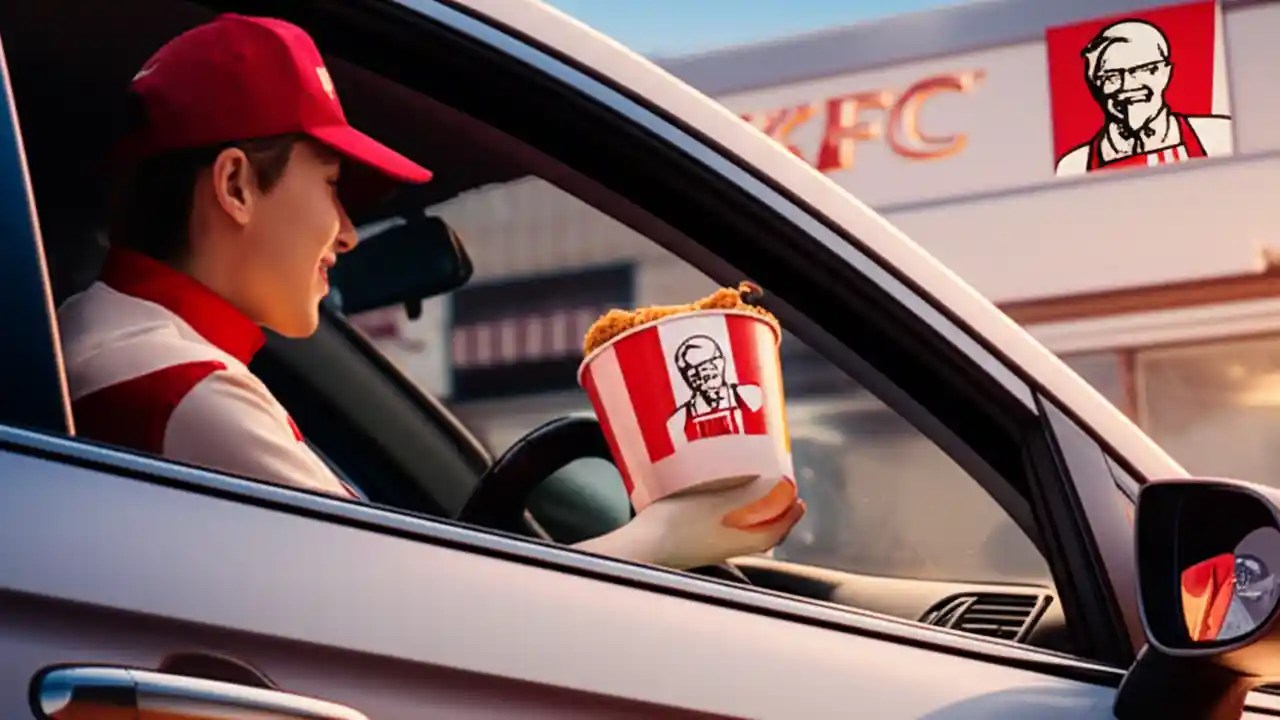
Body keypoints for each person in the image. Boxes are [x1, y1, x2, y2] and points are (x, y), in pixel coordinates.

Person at [56, 13, 804, 570]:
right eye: (332, 186)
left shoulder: (94, 340)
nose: (347, 233)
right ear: (236, 185)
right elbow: (409, 608)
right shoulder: (185, 390)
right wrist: (667, 537)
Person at [1055, 19, 1232, 176]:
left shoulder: (1218, 135)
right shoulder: (1073, 167)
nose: (1127, 86)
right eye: (1111, 76)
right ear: (1096, 85)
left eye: (1143, 70)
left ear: (1165, 73)